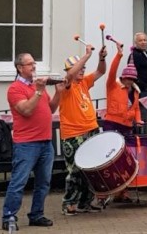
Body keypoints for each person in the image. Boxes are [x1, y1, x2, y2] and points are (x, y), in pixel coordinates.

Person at [1, 53, 63, 231]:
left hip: (45, 142)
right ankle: (8, 216)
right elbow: (26, 110)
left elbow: (50, 109)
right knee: (19, 182)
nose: (34, 67)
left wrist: (58, 93)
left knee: (43, 182)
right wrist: (38, 91)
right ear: (20, 68)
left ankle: (36, 215)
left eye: (34, 64)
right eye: (30, 64)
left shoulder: (38, 88)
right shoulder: (15, 89)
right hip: (26, 144)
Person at [59, 44, 106, 216]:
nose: (82, 71)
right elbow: (70, 75)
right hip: (74, 134)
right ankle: (69, 203)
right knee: (75, 171)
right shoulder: (66, 85)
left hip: (90, 130)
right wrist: (86, 56)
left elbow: (101, 71)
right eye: (79, 68)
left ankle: (85, 202)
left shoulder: (84, 82)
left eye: (83, 68)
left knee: (92, 169)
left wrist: (101, 58)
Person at [103, 40, 142, 203]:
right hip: (112, 125)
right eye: (127, 78)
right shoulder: (113, 85)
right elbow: (111, 71)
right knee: (109, 160)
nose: (128, 81)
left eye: (131, 79)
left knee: (125, 161)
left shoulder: (135, 92)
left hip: (127, 127)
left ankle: (122, 192)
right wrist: (119, 54)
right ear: (123, 77)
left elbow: (136, 109)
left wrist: (138, 120)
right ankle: (104, 192)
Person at [129, 32, 147, 97]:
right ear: (135, 43)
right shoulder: (134, 55)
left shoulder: (144, 53)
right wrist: (144, 86)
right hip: (141, 90)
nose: (143, 42)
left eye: (145, 40)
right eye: (140, 40)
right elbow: (132, 74)